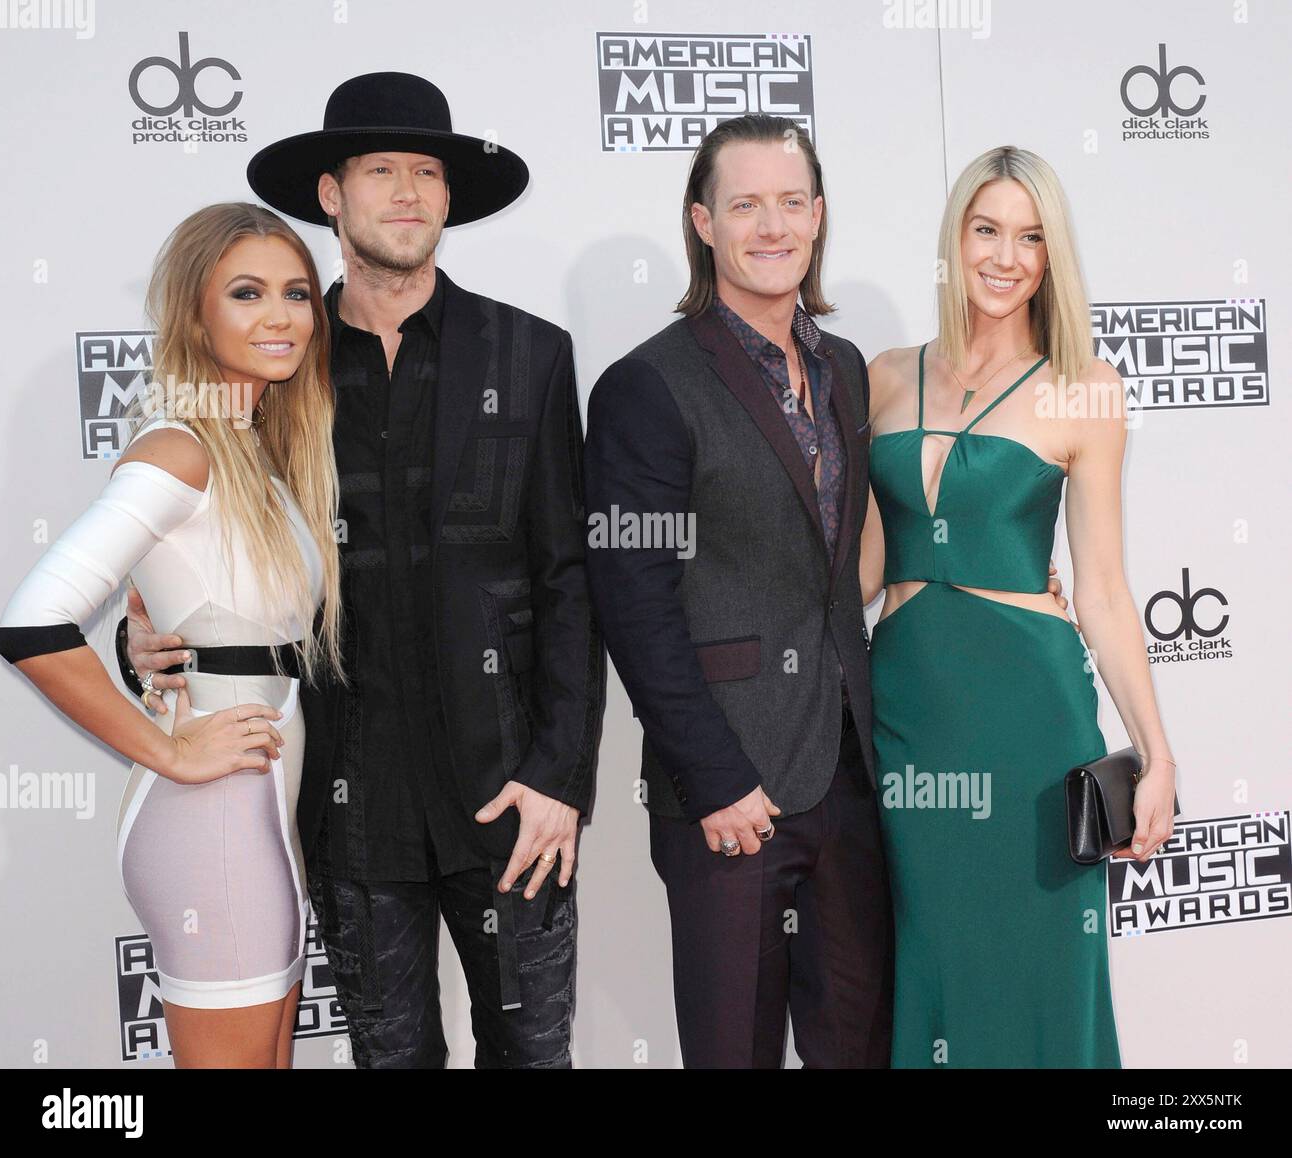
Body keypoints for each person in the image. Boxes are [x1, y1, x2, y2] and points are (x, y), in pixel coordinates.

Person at [118, 72, 604, 1068]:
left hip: (511, 799)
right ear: (331, 196)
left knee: (535, 1058)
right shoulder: (274, 366)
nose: (409, 193)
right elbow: (194, 528)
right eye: (381, 170)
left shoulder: (532, 354)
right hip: (346, 799)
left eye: (426, 171)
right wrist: (146, 629)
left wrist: (561, 776)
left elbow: (567, 578)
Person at [0, 202, 344, 1067]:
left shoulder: (254, 447)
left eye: (297, 292)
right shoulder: (180, 448)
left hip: (260, 815)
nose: (281, 316)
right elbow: (31, 623)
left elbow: (215, 605)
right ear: (196, 315)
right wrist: (170, 749)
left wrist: (142, 627)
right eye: (248, 292)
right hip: (212, 820)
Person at [584, 114, 894, 1068]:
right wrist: (714, 779)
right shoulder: (649, 385)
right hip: (729, 791)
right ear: (703, 222)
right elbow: (633, 603)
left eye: (791, 202)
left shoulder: (842, 367)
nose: (772, 226)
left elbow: (839, 565)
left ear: (819, 217)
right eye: (745, 204)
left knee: (857, 1045)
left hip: (847, 772)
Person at [861, 145, 1178, 1068]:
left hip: (1030, 721)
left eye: (1032, 238)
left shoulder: (1085, 387)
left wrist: (1156, 755)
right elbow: (865, 573)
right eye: (987, 229)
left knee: (1038, 969)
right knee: (933, 960)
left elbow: (1107, 592)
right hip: (910, 713)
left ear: (1053, 256)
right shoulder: (881, 376)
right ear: (955, 238)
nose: (1006, 257)